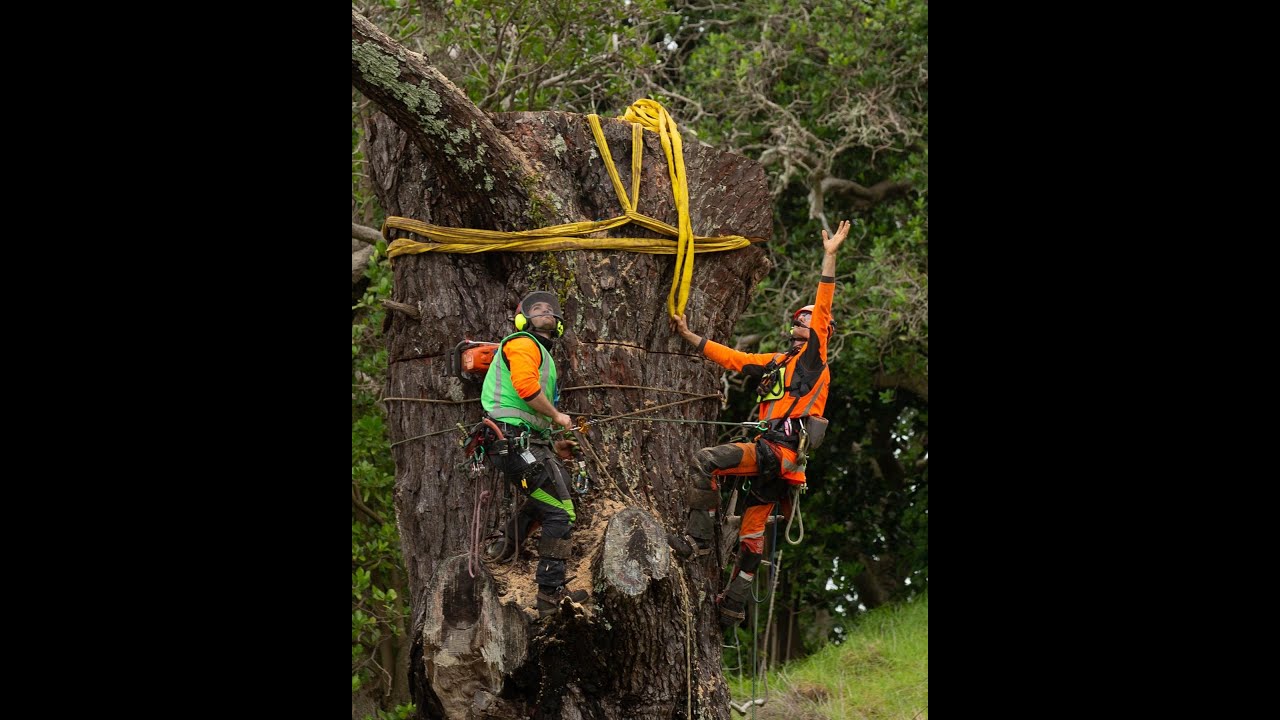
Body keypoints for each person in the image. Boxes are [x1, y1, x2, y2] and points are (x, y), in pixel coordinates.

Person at [668, 220, 850, 627]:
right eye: (798, 320)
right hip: (780, 467)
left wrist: (830, 255)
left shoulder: (813, 360)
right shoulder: (778, 362)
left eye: (802, 321)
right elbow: (736, 359)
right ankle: (733, 605)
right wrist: (691, 337)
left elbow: (823, 307)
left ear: (817, 332)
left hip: (777, 452)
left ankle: (697, 541)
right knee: (752, 535)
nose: (796, 324)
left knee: (707, 460)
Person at [481, 290, 588, 619]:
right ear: (524, 318)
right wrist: (557, 417)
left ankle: (505, 546)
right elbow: (526, 390)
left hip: (527, 441)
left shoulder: (543, 353)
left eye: (549, 310)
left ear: (557, 322)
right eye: (536, 309)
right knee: (561, 512)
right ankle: (549, 592)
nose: (544, 312)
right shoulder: (523, 342)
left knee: (560, 497)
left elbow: (531, 410)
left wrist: (554, 440)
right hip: (512, 440)